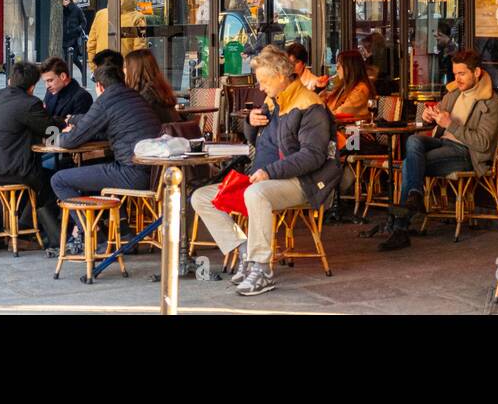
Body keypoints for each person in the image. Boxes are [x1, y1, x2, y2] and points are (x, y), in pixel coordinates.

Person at [189, 45, 341, 296]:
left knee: (256, 194)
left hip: (302, 182)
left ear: (280, 76)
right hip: (263, 178)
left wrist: (270, 172)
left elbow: (313, 156)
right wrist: (250, 123)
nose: (259, 87)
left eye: (263, 81)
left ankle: (262, 269)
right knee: (202, 197)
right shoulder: (273, 101)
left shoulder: (311, 106)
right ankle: (244, 252)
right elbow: (258, 142)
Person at [380, 48, 498, 252]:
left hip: (466, 153)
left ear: (477, 72)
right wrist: (429, 117)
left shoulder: (491, 101)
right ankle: (414, 196)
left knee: (408, 164)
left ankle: (401, 227)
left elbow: (483, 143)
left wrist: (450, 125)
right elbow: (438, 118)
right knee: (414, 140)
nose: (458, 79)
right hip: (444, 144)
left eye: (462, 73)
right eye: (455, 74)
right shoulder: (453, 94)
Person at [50, 63, 163, 211]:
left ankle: (87, 225)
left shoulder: (105, 101)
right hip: (157, 173)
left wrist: (57, 136)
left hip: (133, 173)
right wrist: (74, 120)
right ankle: (118, 223)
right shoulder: (135, 96)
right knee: (94, 167)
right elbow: (104, 128)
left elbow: (71, 141)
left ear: (99, 86)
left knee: (58, 180)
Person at [0, 61, 58, 224]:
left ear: (10, 80)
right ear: (32, 87)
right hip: (8, 171)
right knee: (54, 180)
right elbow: (51, 131)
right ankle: (25, 227)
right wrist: (64, 122)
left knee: (31, 179)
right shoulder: (29, 103)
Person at [123, 48, 181, 124]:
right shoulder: (158, 89)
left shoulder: (145, 96)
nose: (123, 70)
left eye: (125, 66)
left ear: (134, 69)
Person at [85, 0, 144, 65]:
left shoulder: (100, 15)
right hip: (125, 65)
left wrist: (93, 66)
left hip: (102, 64)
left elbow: (91, 43)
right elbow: (139, 47)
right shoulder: (137, 18)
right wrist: (134, 68)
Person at [322, 50, 375, 118]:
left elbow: (340, 112)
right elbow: (328, 106)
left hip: (349, 124)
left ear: (350, 67)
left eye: (340, 65)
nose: (337, 68)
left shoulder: (361, 90)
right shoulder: (343, 86)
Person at [40, 56, 93, 123]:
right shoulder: (51, 90)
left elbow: (80, 126)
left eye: (50, 80)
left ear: (63, 76)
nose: (47, 86)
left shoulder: (82, 97)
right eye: (45, 81)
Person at [62, 0, 88, 76]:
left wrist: (78, 29)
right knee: (66, 58)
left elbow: (84, 22)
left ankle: (82, 70)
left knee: (74, 58)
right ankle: (68, 76)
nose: (64, 0)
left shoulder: (77, 9)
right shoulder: (61, 10)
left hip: (75, 37)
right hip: (65, 38)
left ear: (70, 0)